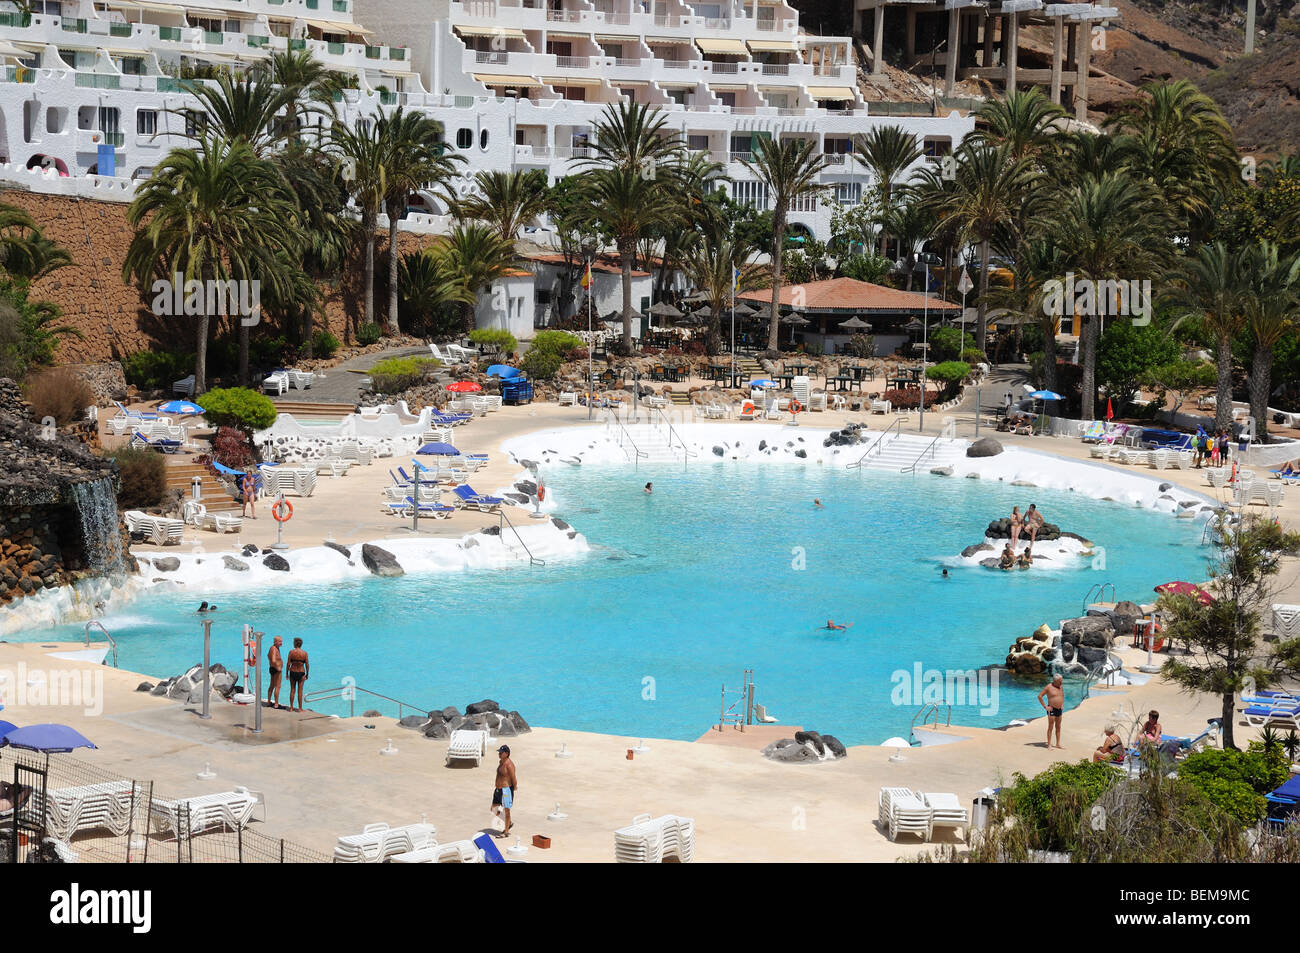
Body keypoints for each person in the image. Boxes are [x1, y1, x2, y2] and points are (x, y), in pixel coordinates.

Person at [491, 745, 518, 837]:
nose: (499, 754)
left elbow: (513, 778)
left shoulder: (509, 765)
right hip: (498, 790)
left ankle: (506, 832)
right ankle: (508, 823)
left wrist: (514, 787)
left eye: (501, 752)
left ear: (506, 754)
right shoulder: (501, 762)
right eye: (499, 752)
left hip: (506, 790)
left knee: (507, 811)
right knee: (494, 809)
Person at [1037, 675, 1065, 749]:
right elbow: (1039, 696)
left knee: (1058, 727)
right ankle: (1049, 744)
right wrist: (1045, 707)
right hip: (1052, 709)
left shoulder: (1061, 686)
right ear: (1055, 681)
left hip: (1059, 709)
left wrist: (1062, 704)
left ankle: (1058, 744)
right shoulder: (1048, 687)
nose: (1062, 682)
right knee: (1051, 727)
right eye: (1060, 681)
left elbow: (1062, 695)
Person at [286, 637, 308, 713]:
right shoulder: (304, 653)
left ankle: (291, 708)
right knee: (300, 691)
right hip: (301, 672)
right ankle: (300, 708)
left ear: (295, 643)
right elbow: (307, 664)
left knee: (292, 690)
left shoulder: (291, 652)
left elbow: (288, 663)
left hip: (293, 671)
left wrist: (286, 673)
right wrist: (307, 674)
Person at [266, 636, 284, 710]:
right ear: (275, 642)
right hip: (276, 670)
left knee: (272, 685)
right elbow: (273, 660)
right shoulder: (274, 649)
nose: (281, 643)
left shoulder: (274, 648)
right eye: (279, 641)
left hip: (272, 668)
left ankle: (269, 702)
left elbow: (268, 656)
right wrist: (278, 668)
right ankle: (276, 704)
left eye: (281, 641)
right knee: (277, 686)